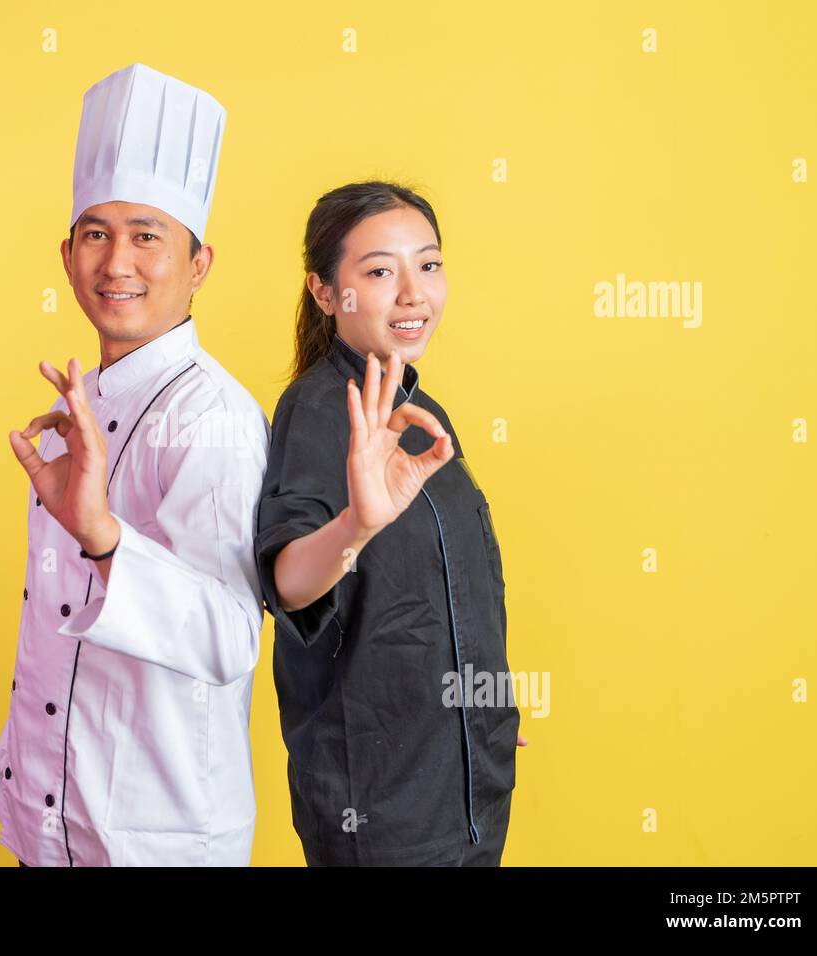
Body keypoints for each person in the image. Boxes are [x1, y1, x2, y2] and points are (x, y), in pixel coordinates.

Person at [0, 62, 270, 867]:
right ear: (67, 253)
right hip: (49, 826)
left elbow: (228, 637)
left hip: (156, 843)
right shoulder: (76, 416)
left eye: (147, 235)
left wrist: (105, 536)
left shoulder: (210, 417)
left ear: (199, 263)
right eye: (96, 233)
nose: (118, 262)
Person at [255, 180, 526, 866]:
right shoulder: (321, 413)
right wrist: (355, 523)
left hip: (466, 781)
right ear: (324, 293)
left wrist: (480, 693)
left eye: (429, 264)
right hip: (380, 809)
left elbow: (446, 582)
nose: (414, 293)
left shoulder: (418, 404)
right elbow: (287, 584)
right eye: (380, 271)